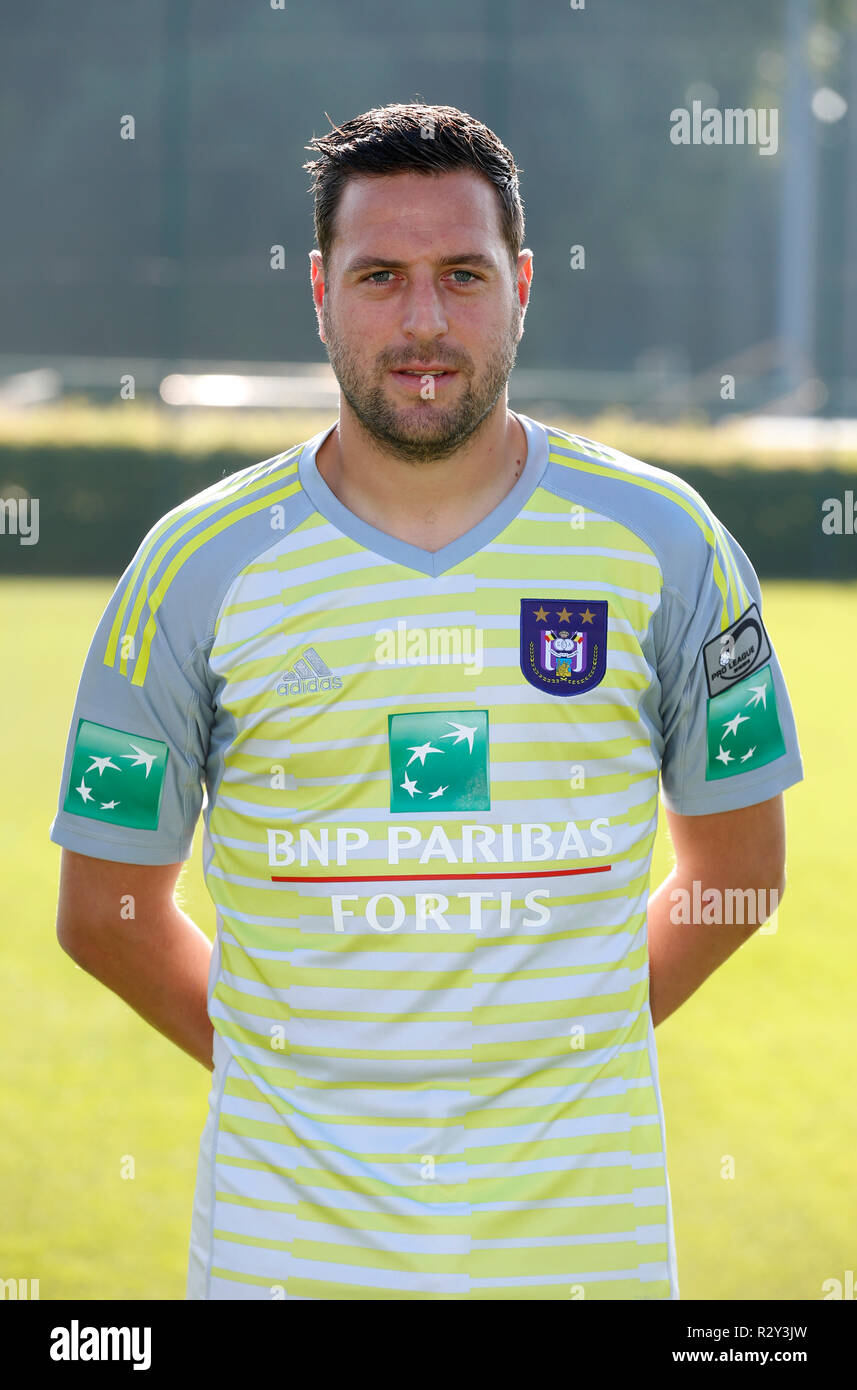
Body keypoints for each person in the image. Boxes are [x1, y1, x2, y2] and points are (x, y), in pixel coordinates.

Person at [50, 102, 803, 1301]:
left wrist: (561, 1054)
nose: (422, 323)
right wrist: (289, 1074)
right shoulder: (192, 567)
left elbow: (739, 875)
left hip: (580, 1263)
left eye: (460, 274)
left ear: (519, 286)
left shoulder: (668, 543)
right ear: (318, 290)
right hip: (284, 1265)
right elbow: (105, 912)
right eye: (378, 277)